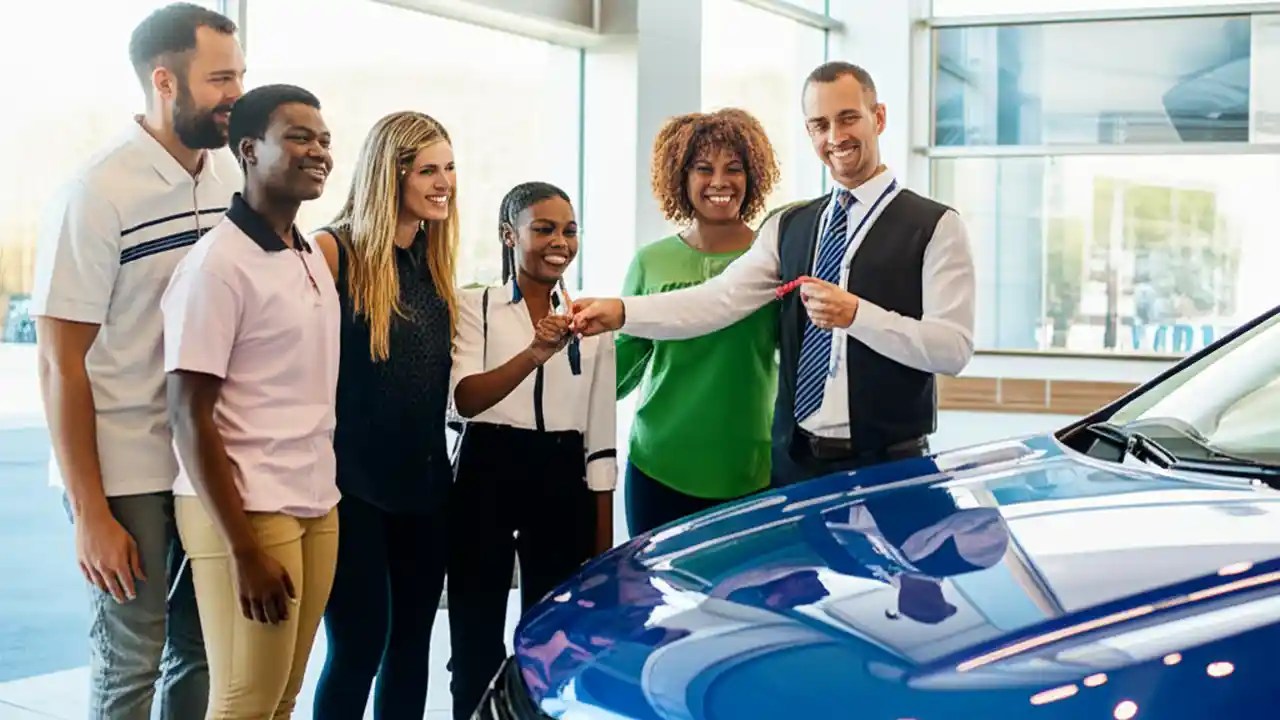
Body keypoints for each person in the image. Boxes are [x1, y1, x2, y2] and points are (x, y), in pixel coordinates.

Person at [570, 61, 976, 487]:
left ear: (879, 118)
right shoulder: (789, 225)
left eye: (848, 118)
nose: (835, 137)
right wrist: (619, 310)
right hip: (793, 466)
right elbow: (719, 299)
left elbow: (953, 349)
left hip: (891, 467)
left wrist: (857, 315)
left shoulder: (937, 226)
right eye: (820, 124)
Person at [29, 4, 244, 717]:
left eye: (240, 75)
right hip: (124, 466)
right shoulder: (95, 193)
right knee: (132, 657)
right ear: (165, 81)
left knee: (204, 647)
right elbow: (61, 363)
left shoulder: (230, 183)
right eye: (220, 78)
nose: (236, 94)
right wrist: (91, 510)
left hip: (205, 458)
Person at [161, 83, 339, 719]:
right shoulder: (216, 266)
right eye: (298, 137)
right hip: (245, 506)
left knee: (282, 699)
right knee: (245, 701)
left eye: (323, 140)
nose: (317, 150)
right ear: (248, 149)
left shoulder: (309, 254)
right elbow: (187, 413)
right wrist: (241, 549)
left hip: (315, 495)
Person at [309, 111, 459, 719]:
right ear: (388, 175)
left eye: (449, 168)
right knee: (359, 643)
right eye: (428, 169)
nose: (444, 181)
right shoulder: (330, 251)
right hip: (352, 490)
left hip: (424, 487)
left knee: (410, 647)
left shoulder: (433, 258)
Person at [447, 181, 617, 720]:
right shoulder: (475, 305)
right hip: (485, 473)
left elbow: (601, 435)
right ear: (508, 235)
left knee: (555, 642)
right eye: (543, 228)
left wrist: (603, 538)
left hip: (562, 479)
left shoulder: (593, 319)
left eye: (569, 230)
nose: (559, 241)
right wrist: (537, 351)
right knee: (474, 639)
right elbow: (466, 400)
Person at [617, 108, 781, 536]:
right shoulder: (651, 262)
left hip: (751, 467)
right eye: (703, 169)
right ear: (680, 178)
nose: (720, 182)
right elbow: (618, 371)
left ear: (754, 176)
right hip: (658, 463)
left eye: (734, 169)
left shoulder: (775, 259)